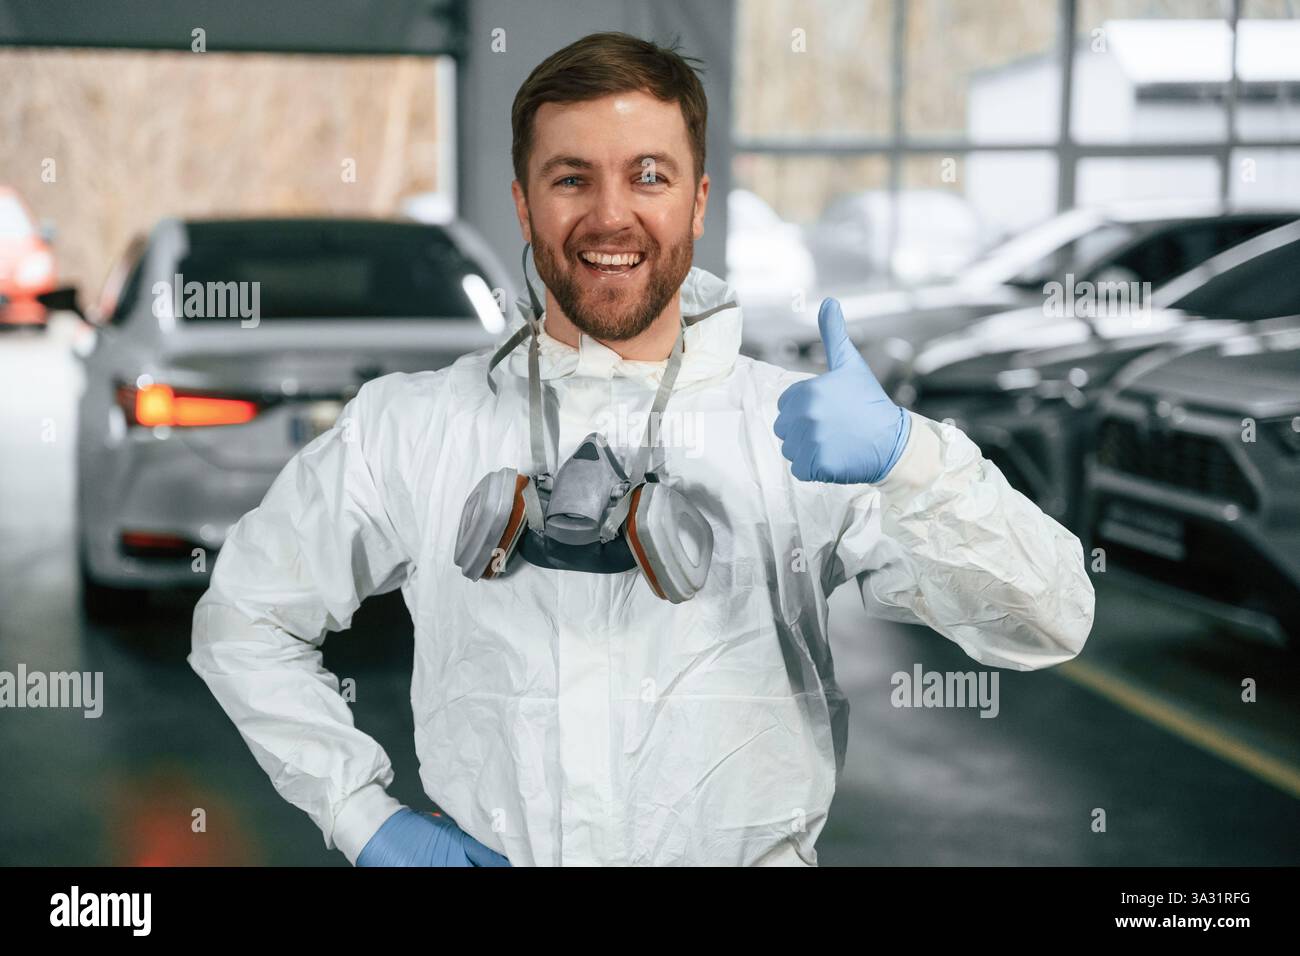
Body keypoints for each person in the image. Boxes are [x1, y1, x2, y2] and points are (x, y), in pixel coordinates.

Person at [189, 31, 1094, 867]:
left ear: (699, 202)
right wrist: (365, 820)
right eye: (571, 178)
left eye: (649, 176)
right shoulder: (412, 427)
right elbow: (243, 619)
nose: (610, 216)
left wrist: (911, 459)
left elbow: (1049, 621)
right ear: (523, 202)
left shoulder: (796, 434)